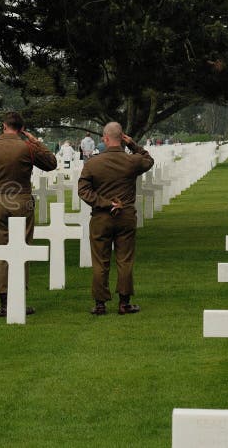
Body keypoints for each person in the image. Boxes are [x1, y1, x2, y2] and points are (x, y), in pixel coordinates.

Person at [0, 112, 57, 316]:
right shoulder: (27, 147)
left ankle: (4, 302)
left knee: (2, 250)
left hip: (0, 203)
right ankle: (18, 298)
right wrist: (36, 142)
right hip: (22, 201)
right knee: (23, 249)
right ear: (22, 128)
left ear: (4, 126)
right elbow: (51, 163)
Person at [77, 122, 154, 316]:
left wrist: (104, 202)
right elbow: (148, 159)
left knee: (100, 261)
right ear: (122, 139)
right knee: (125, 259)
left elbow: (83, 190)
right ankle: (124, 303)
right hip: (125, 216)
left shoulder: (93, 163)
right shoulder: (131, 160)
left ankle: (100, 304)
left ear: (104, 138)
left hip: (101, 217)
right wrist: (133, 145)